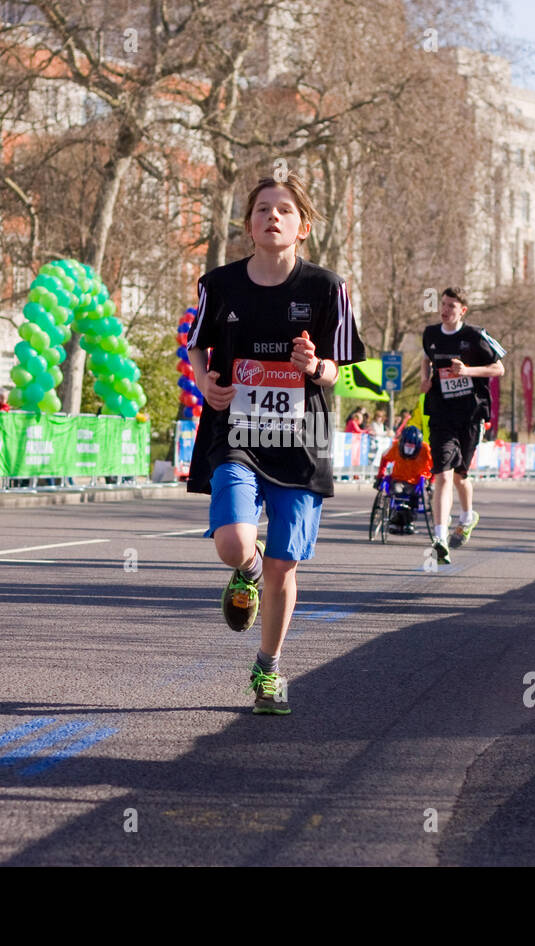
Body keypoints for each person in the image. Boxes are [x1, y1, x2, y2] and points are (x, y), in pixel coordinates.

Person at [186, 174, 364, 716]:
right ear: (249, 225)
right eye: (263, 209)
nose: (273, 217)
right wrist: (206, 383)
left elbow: (345, 369)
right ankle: (247, 572)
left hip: (301, 440)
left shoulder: (325, 287)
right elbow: (199, 348)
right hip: (235, 432)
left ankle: (267, 667)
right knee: (234, 545)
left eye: (285, 210)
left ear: (302, 226)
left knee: (287, 564)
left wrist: (317, 367)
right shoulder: (218, 284)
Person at [420, 287, 505, 561]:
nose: (445, 310)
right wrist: (425, 378)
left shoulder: (476, 336)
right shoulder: (430, 334)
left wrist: (467, 371)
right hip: (441, 413)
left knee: (460, 475)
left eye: (451, 306)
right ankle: (440, 538)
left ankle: (468, 515)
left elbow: (499, 368)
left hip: (470, 415)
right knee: (443, 474)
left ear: (462, 311)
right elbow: (426, 358)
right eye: (443, 304)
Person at [376, 424, 432, 533]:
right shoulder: (395, 446)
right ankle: (395, 519)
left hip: (417, 482)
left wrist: (431, 482)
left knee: (418, 496)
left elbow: (434, 466)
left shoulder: (425, 449)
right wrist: (380, 476)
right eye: (407, 445)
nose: (409, 448)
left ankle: (410, 521)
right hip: (398, 480)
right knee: (396, 492)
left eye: (412, 446)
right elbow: (384, 458)